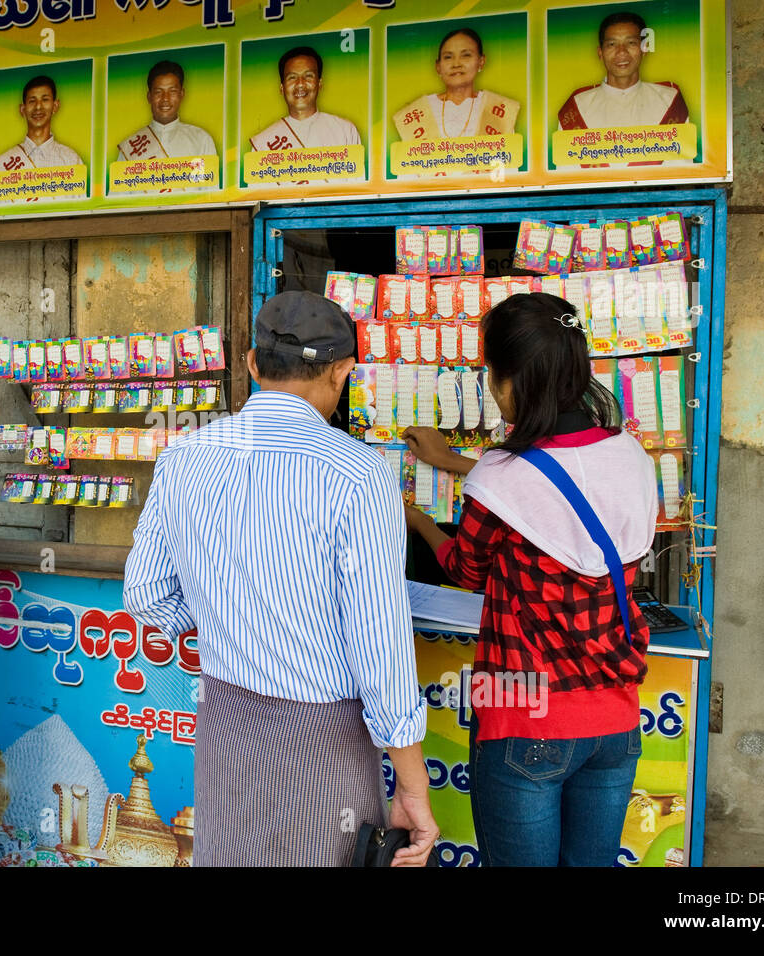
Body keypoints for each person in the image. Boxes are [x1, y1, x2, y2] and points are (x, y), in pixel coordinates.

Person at [124, 290, 438, 868]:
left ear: (250, 362)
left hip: (224, 717)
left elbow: (145, 595)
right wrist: (413, 789)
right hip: (321, 733)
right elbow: (380, 648)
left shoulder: (184, 457)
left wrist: (227, 624)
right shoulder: (359, 473)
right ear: (344, 370)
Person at [403, 293, 658, 867]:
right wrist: (456, 464)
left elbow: (466, 568)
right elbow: (564, 488)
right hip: (614, 717)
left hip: (525, 717)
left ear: (510, 379)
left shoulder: (502, 475)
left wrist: (416, 520)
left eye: (491, 372)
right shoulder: (631, 456)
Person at [558, 11, 689, 130]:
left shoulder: (669, 99)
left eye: (631, 43)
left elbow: (681, 155)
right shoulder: (578, 106)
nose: (621, 52)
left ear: (644, 49)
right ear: (600, 53)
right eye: (612, 44)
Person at [391, 28, 520, 141]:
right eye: (448, 57)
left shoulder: (497, 109)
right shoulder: (418, 112)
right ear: (438, 66)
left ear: (481, 61)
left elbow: (507, 164)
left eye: (466, 55)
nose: (456, 64)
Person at [249, 46, 362, 151]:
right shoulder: (263, 143)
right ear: (282, 88)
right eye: (292, 77)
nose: (300, 84)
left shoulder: (344, 130)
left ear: (319, 83)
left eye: (308, 76)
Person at [116, 60, 217, 161]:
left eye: (172, 91)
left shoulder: (201, 140)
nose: (165, 98)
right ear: (149, 96)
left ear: (181, 94)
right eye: (158, 92)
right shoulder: (129, 148)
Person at [0, 75, 84, 171]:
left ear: (55, 106)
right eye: (32, 101)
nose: (38, 106)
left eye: (45, 99)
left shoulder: (71, 160)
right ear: (23, 109)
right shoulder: (3, 164)